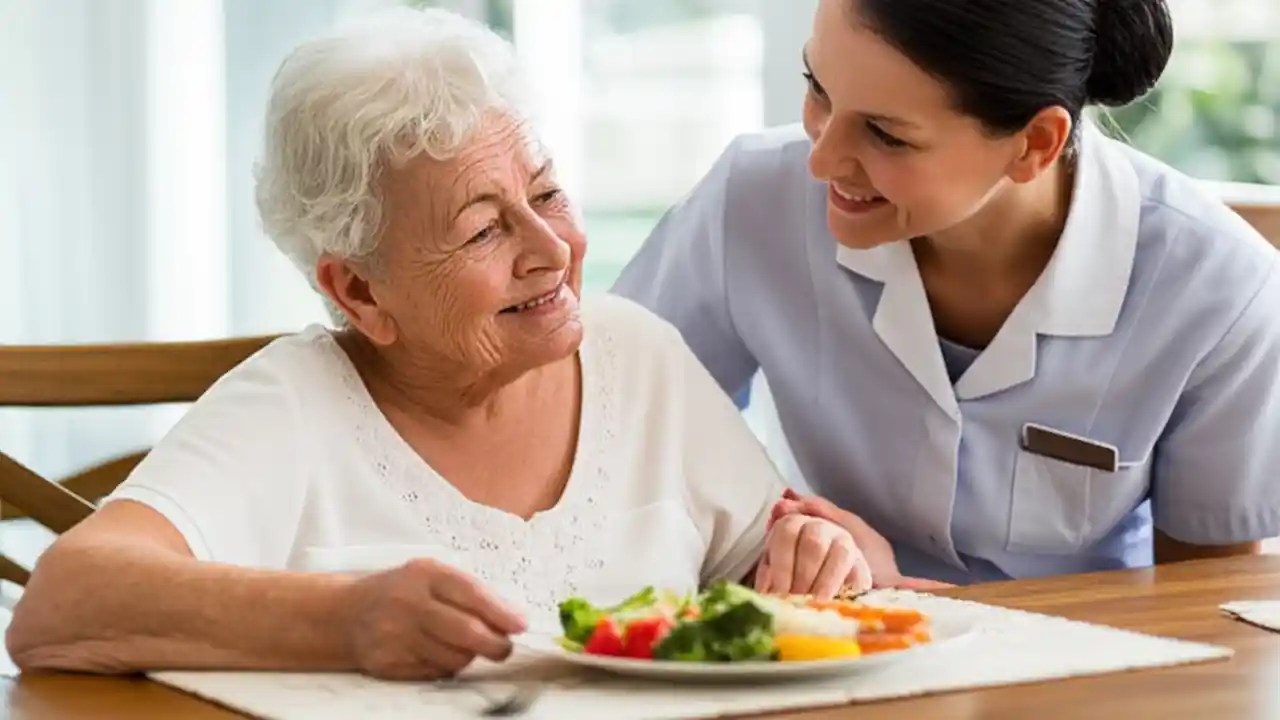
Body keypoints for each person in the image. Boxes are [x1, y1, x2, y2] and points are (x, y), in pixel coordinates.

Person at [5, 8, 870, 681]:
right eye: (484, 230)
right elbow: (60, 607)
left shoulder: (635, 355)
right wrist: (343, 623)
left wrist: (824, 558)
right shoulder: (294, 404)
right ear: (360, 290)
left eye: (548, 192)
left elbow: (776, 575)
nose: (552, 250)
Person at [614, 0, 1280, 585]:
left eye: (885, 134)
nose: (821, 159)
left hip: (1088, 670)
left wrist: (914, 605)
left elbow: (1204, 604)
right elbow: (620, 432)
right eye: (817, 87)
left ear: (1034, 144)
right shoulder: (752, 200)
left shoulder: (1221, 293)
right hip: (832, 651)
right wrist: (785, 533)